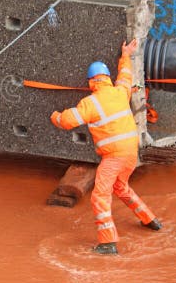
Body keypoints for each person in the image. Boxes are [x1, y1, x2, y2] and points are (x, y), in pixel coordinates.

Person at [50, 39, 162, 255]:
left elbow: (67, 121)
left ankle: (108, 243)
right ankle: (150, 220)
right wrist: (126, 54)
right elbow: (125, 75)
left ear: (91, 82)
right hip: (131, 153)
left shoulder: (90, 103)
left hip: (114, 157)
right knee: (121, 188)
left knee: (99, 195)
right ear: (106, 79)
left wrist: (54, 116)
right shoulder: (120, 92)